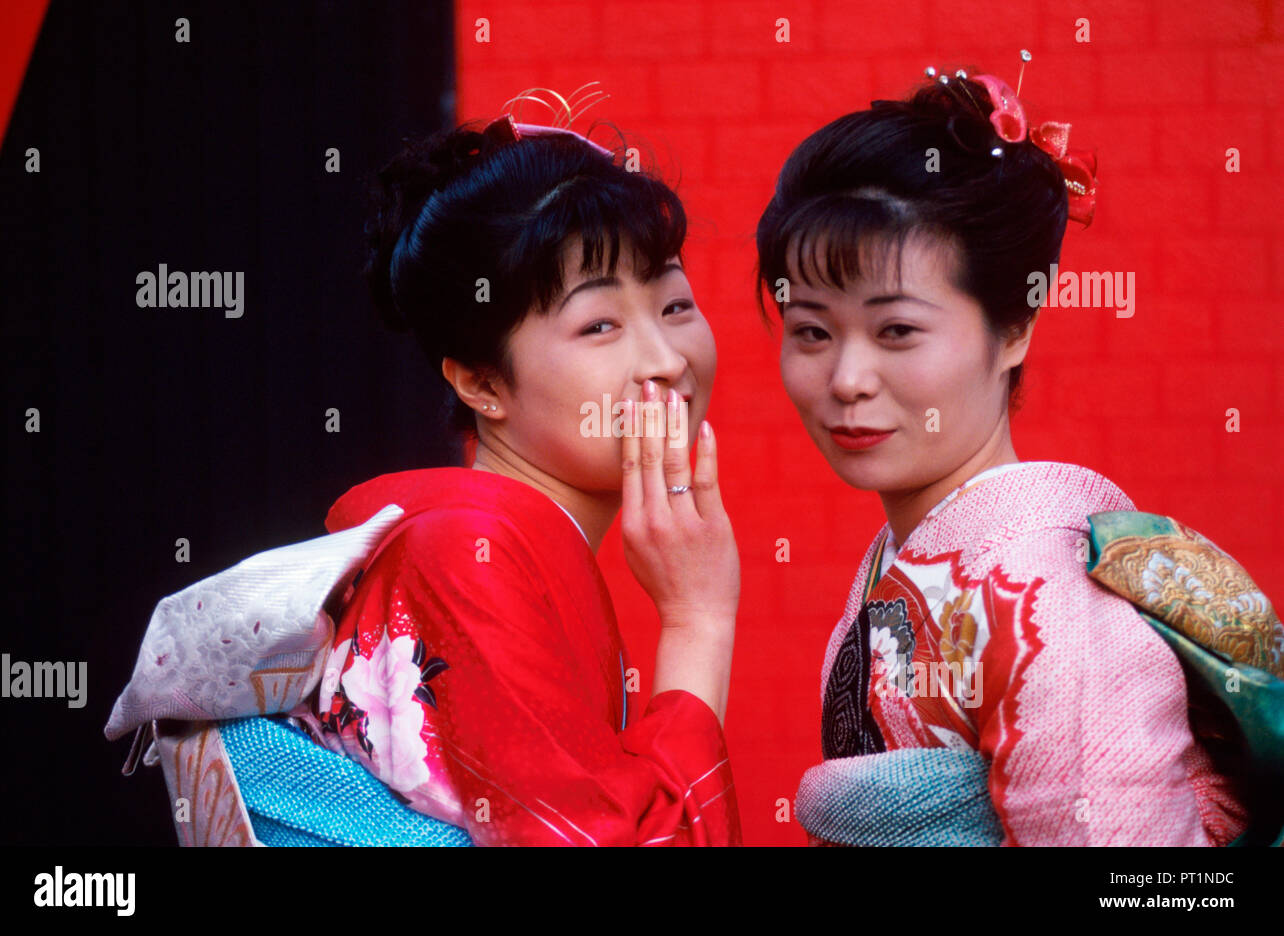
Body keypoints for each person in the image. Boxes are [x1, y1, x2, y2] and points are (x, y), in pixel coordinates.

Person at [755, 59, 1252, 845]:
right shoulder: (910, 557)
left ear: (1015, 328)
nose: (847, 379)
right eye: (812, 331)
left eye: (897, 332)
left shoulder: (1045, 585)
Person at [293, 107, 743, 845]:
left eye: (675, 305)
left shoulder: (480, 546)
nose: (667, 358)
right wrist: (699, 622)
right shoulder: (463, 559)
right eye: (600, 324)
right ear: (481, 382)